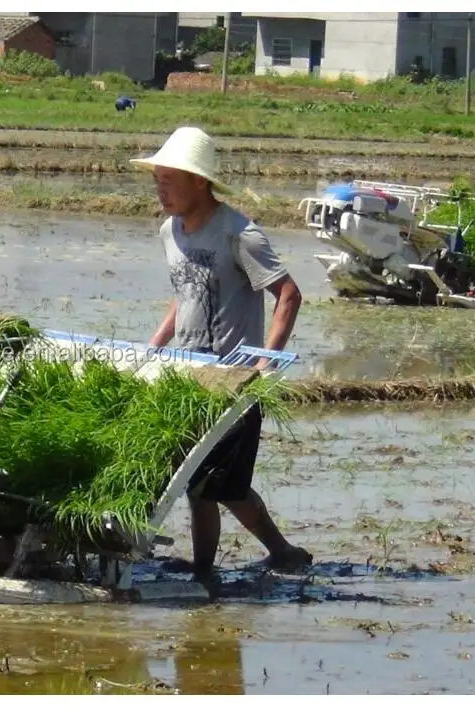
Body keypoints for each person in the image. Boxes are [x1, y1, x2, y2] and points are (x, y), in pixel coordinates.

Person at [130, 126, 313, 582]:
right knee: (217, 484)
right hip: (187, 376)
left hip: (233, 380)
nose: (161, 190)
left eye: (169, 180)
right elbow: (184, 295)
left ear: (198, 181)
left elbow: (288, 295)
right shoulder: (169, 231)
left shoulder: (239, 234)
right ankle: (281, 554)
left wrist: (264, 362)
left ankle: (205, 573)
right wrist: (153, 349)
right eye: (158, 180)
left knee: (206, 485)